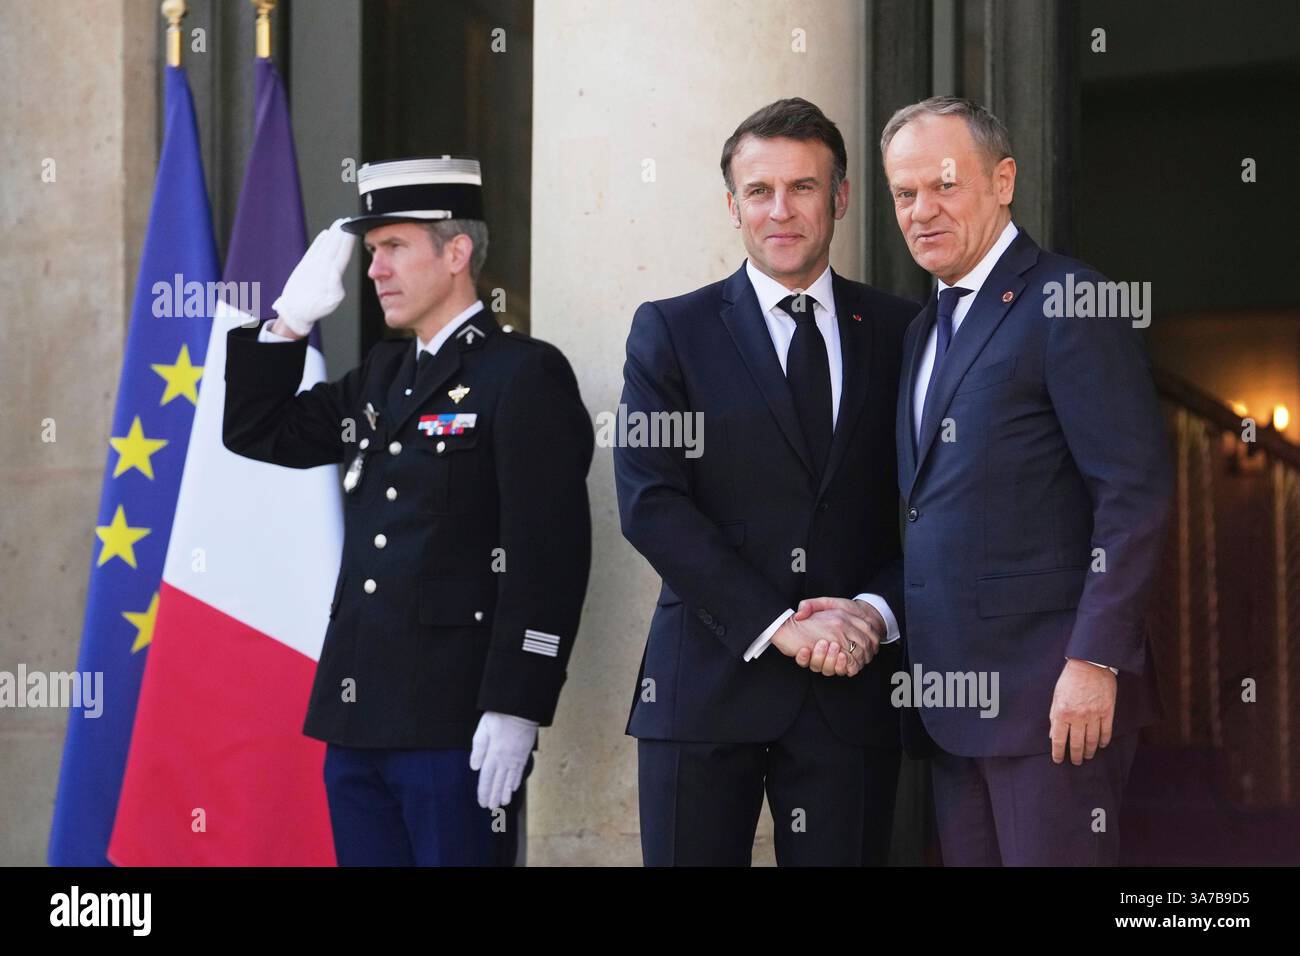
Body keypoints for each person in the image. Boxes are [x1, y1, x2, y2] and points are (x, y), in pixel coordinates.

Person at [222, 156, 593, 866]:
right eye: (370, 252)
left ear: (456, 253)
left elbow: (549, 556)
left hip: (454, 719)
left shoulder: (522, 374)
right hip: (359, 716)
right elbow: (256, 430)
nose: (374, 271)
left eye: (393, 247)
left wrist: (518, 701)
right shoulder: (384, 375)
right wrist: (287, 323)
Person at [614, 98, 919, 866]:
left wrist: (876, 614)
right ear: (732, 204)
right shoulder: (671, 331)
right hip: (706, 686)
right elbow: (651, 504)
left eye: (803, 187)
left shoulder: (903, 331)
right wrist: (780, 625)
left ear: (841, 197)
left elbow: (934, 506)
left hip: (850, 691)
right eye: (759, 191)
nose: (780, 211)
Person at [873, 96, 1170, 865]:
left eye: (944, 185)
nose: (922, 211)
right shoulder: (922, 329)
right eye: (904, 194)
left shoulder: (1070, 299)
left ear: (1003, 181)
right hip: (950, 708)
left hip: (1054, 702)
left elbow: (1131, 494)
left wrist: (1096, 659)